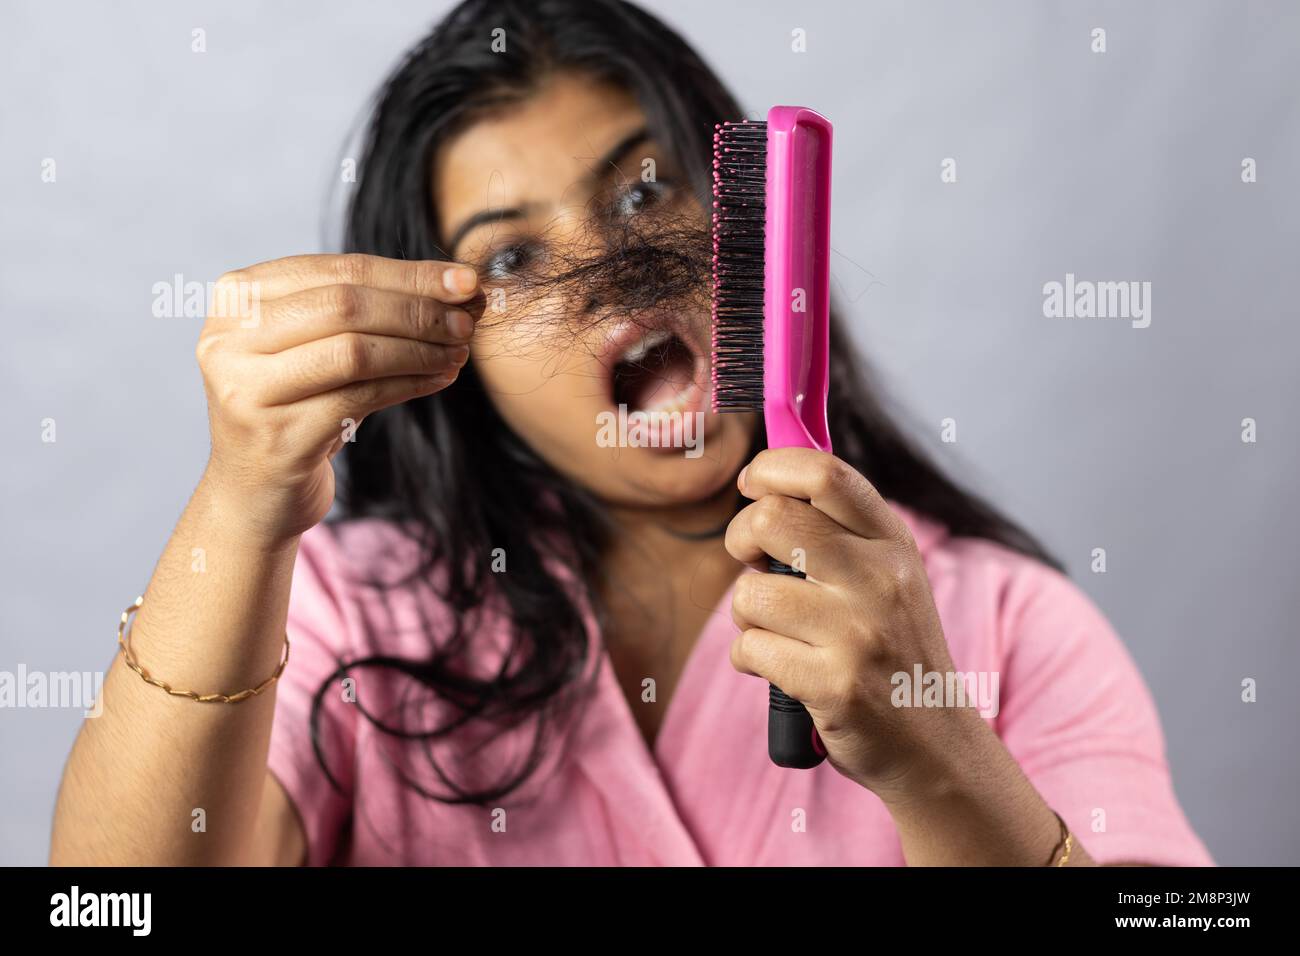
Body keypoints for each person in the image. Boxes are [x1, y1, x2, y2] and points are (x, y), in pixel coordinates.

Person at [50, 0, 1211, 866]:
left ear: (749, 220)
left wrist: (941, 761)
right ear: (457, 352)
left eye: (645, 189)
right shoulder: (346, 618)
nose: (608, 273)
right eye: (508, 255)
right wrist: (243, 501)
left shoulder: (1011, 624)